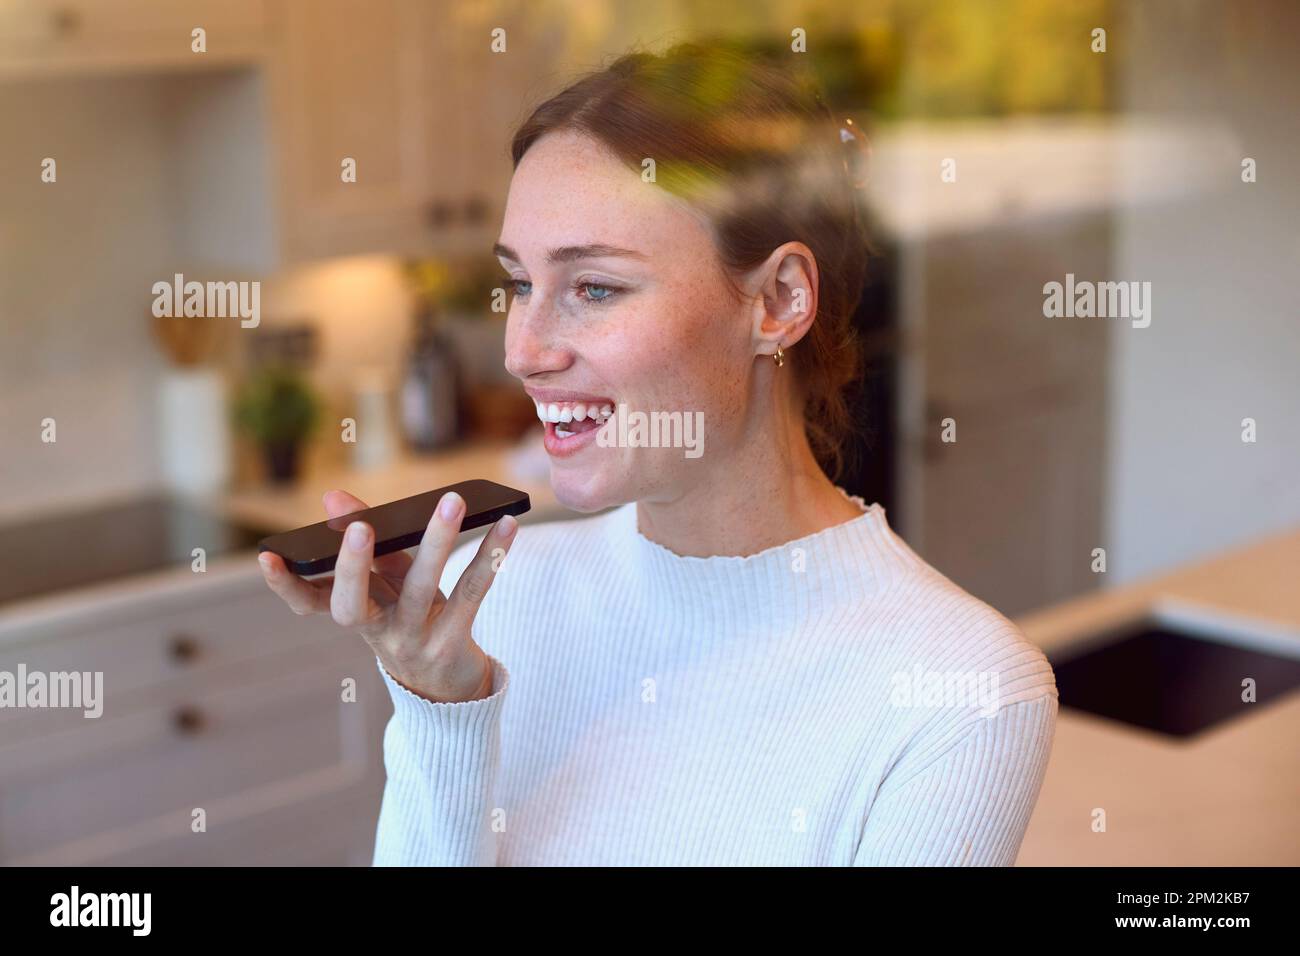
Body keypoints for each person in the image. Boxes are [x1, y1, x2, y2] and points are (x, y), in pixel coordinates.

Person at [258, 43, 1057, 866]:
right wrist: (439, 709)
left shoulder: (963, 690)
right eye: (520, 285)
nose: (524, 351)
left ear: (778, 301)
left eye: (594, 288)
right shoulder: (503, 598)